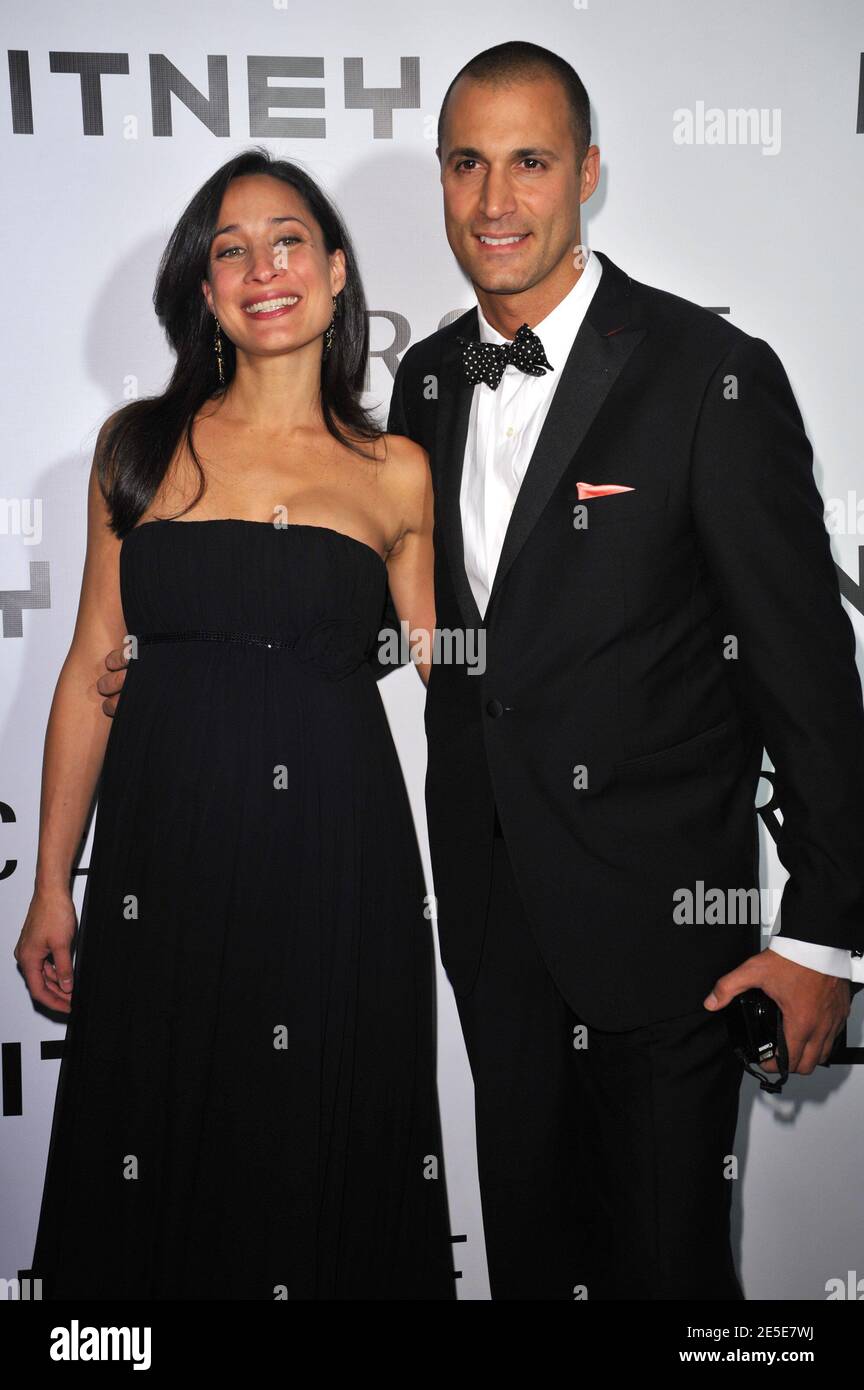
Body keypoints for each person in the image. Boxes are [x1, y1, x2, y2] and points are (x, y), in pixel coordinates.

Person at [99, 45, 864, 1301]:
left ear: (589, 177)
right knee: (534, 1265)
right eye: (466, 163)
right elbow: (427, 637)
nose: (494, 199)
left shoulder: (705, 376)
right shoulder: (429, 381)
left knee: (670, 1278)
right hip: (494, 928)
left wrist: (826, 936)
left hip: (664, 935)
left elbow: (806, 667)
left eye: (529, 163)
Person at [17, 147, 454, 1300]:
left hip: (339, 864)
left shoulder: (396, 470)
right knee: (155, 1143)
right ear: (205, 291)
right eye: (230, 249)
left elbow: (452, 673)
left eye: (288, 241)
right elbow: (86, 672)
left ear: (338, 270)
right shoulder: (138, 450)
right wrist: (54, 881)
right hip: (165, 863)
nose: (263, 268)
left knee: (328, 1139)